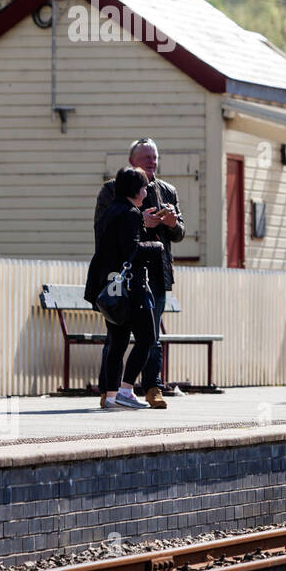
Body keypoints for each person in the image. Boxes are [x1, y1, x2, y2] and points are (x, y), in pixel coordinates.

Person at [94, 138, 185, 409]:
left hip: (156, 274)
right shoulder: (112, 191)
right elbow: (106, 232)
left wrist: (171, 223)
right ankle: (111, 391)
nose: (152, 162)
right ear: (132, 161)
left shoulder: (167, 190)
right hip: (124, 277)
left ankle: (151, 387)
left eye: (154, 157)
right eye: (146, 157)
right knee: (119, 338)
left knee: (150, 335)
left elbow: (179, 233)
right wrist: (141, 223)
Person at [84, 167, 168, 410]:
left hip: (109, 286)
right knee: (147, 340)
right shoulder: (131, 213)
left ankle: (110, 396)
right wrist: (155, 246)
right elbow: (131, 251)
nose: (145, 192)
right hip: (131, 289)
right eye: (143, 187)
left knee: (117, 341)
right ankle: (127, 390)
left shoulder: (111, 211)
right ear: (134, 190)